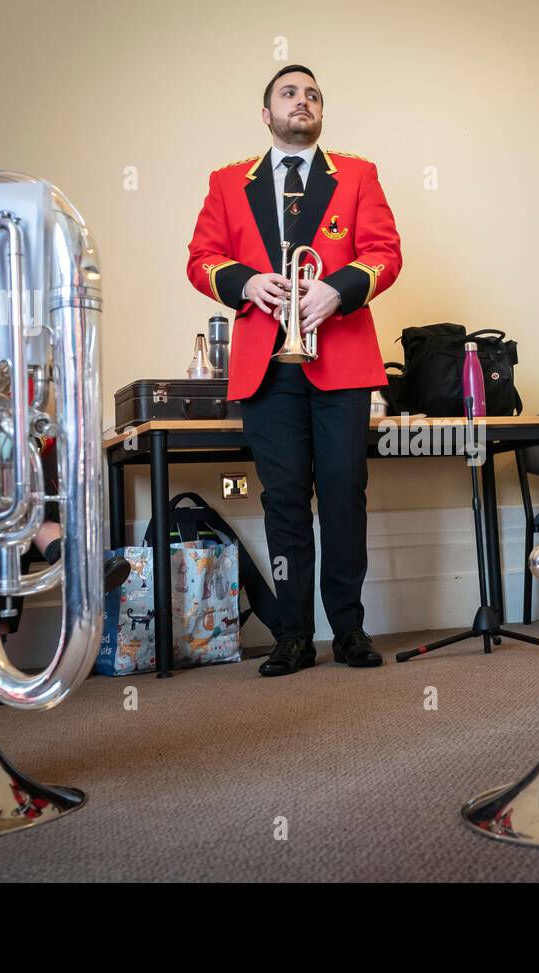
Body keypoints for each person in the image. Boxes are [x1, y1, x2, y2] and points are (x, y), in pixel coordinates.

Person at [186, 64, 401, 676]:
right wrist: (248, 282)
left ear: (321, 111)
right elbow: (201, 261)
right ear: (267, 114)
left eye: (312, 94)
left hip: (341, 359)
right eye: (289, 93)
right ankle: (293, 635)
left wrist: (338, 289)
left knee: (342, 496)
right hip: (265, 363)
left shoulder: (357, 174)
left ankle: (350, 629)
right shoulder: (228, 182)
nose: (301, 101)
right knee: (283, 500)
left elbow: (385, 254)